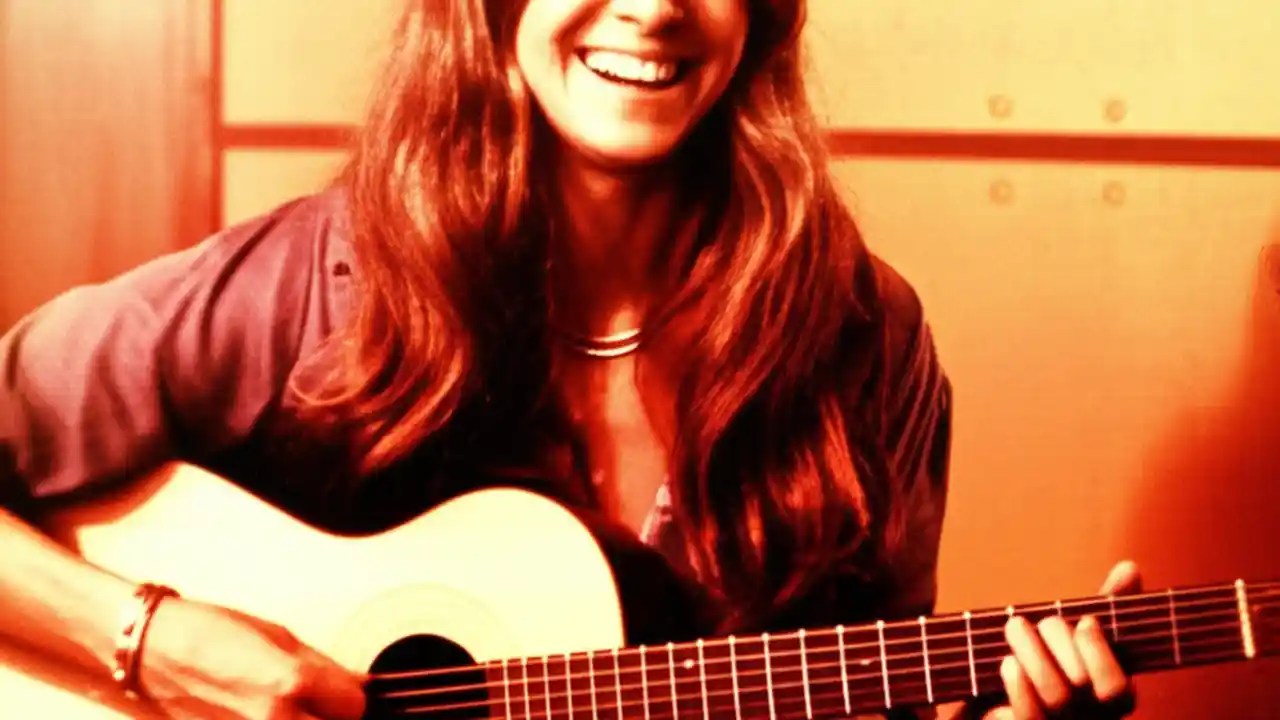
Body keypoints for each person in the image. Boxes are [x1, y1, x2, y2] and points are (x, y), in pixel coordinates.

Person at [0, 1, 1140, 718]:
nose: (650, 10)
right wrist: (152, 641)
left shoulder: (859, 337)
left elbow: (881, 690)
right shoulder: (320, 277)